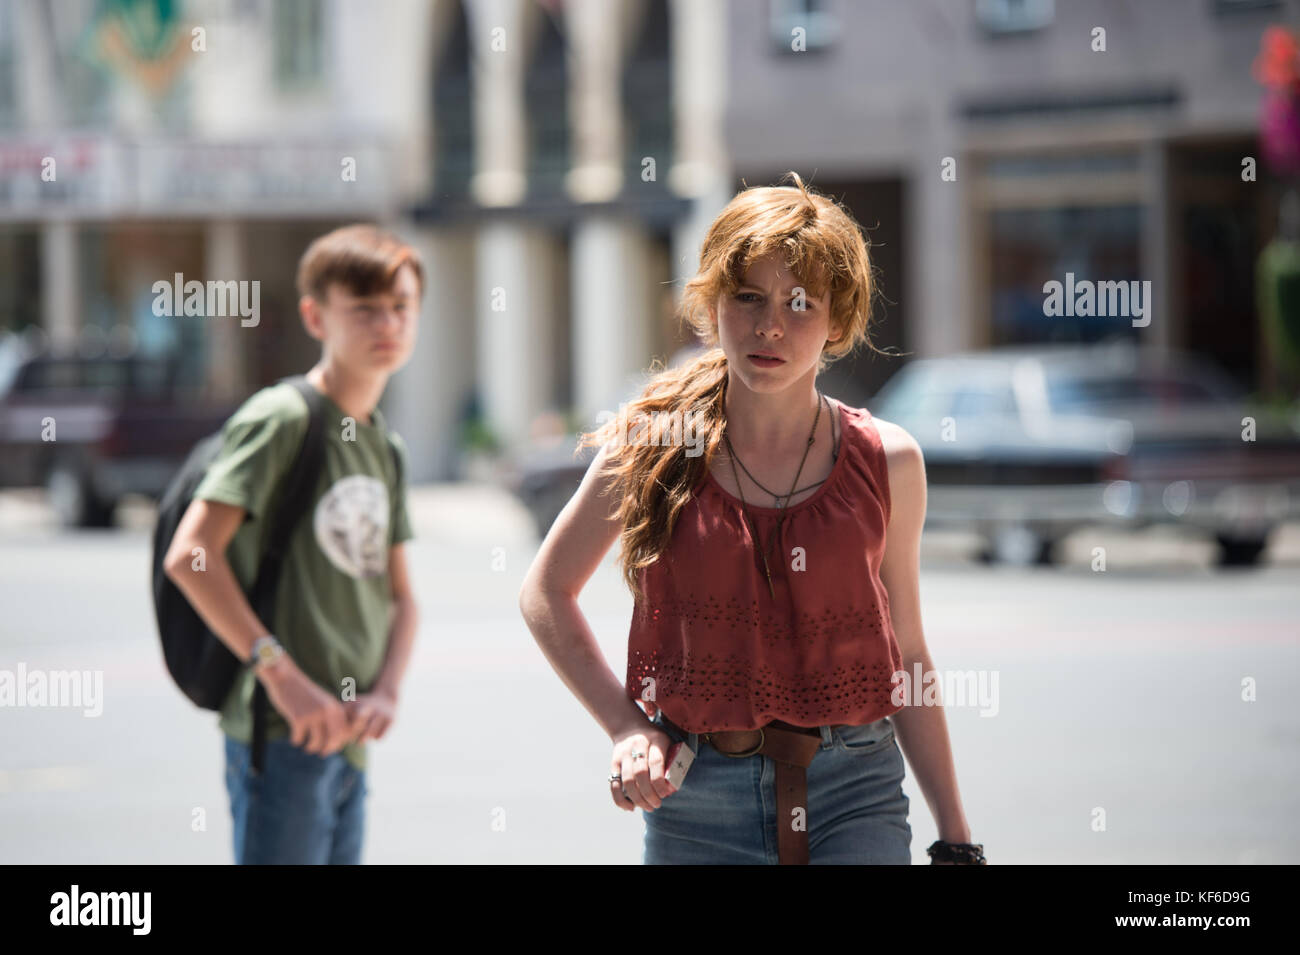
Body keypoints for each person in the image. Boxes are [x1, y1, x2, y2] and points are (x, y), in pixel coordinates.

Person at [519, 173, 981, 864]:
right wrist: (624, 728)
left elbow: (908, 652)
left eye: (800, 303)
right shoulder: (655, 442)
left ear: (838, 320)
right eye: (748, 297)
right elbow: (545, 591)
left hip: (854, 790)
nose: (771, 325)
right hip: (695, 798)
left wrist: (957, 835)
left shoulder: (888, 460)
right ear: (712, 304)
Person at [164, 224, 422, 864]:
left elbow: (402, 597)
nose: (386, 323)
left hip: (350, 735)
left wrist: (387, 691)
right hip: (282, 731)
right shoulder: (283, 418)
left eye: (400, 307)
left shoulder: (384, 444)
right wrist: (280, 674)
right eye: (363, 308)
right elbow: (190, 556)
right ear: (315, 315)